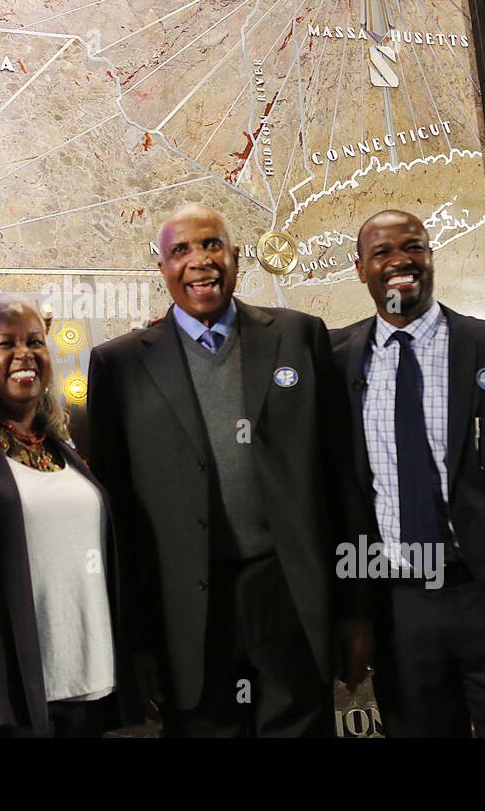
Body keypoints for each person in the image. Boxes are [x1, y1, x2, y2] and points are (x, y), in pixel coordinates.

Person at [86, 203, 373, 737]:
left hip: (288, 595)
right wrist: (136, 643)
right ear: (162, 268)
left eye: (212, 245)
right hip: (187, 615)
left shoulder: (300, 337)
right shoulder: (119, 365)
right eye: (181, 250)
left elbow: (343, 480)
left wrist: (355, 612)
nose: (200, 261)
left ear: (237, 258)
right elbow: (117, 519)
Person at [330, 209, 485, 737]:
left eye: (413, 247)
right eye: (382, 252)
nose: (401, 261)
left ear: (429, 256)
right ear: (360, 269)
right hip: (400, 611)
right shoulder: (334, 360)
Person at [0, 295, 141, 737]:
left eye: (35, 342)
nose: (24, 354)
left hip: (87, 687)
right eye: (6, 343)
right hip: (5, 702)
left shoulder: (56, 443)